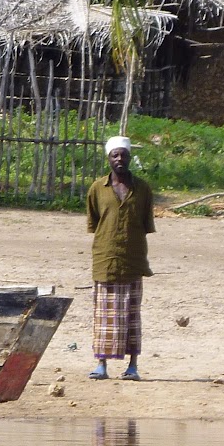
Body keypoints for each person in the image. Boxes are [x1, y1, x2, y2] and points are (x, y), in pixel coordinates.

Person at [86, 134, 155, 381]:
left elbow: (146, 223)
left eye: (123, 155)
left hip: (133, 259)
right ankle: (101, 365)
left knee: (131, 314)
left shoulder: (143, 189)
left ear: (130, 158)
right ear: (108, 159)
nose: (119, 159)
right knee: (103, 315)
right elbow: (94, 223)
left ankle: (133, 366)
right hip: (105, 258)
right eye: (115, 155)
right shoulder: (97, 189)